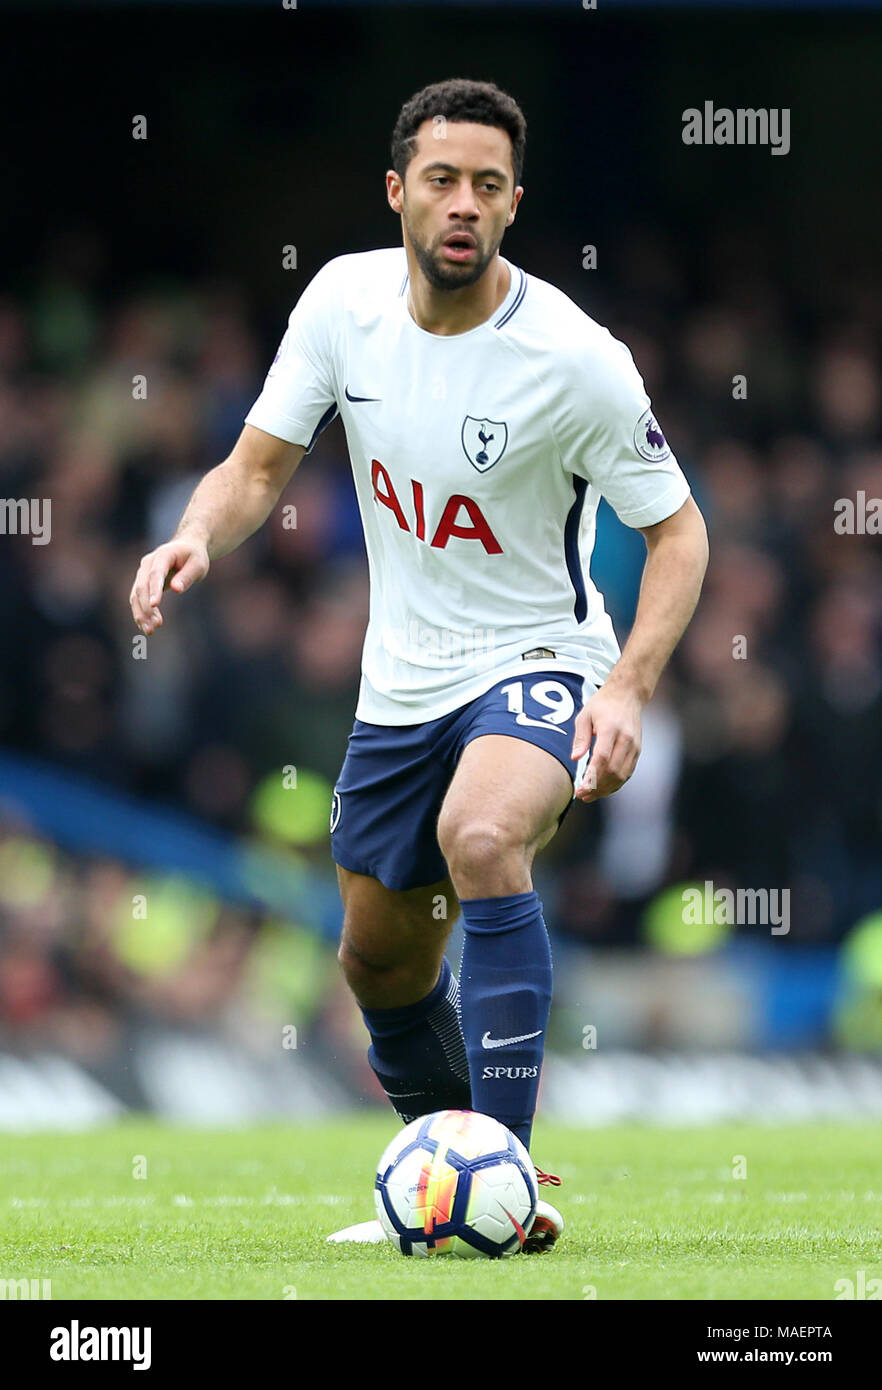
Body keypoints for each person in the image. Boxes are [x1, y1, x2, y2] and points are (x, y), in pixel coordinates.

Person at [129, 78, 709, 1253]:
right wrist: (194, 533)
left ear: (513, 206)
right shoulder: (342, 305)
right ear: (398, 191)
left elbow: (680, 531)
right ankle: (462, 1189)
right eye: (442, 180)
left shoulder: (576, 358)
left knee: (483, 837)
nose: (463, 204)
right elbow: (253, 470)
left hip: (541, 656)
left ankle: (514, 1180)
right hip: (400, 685)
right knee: (378, 960)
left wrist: (630, 684)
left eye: (487, 186)